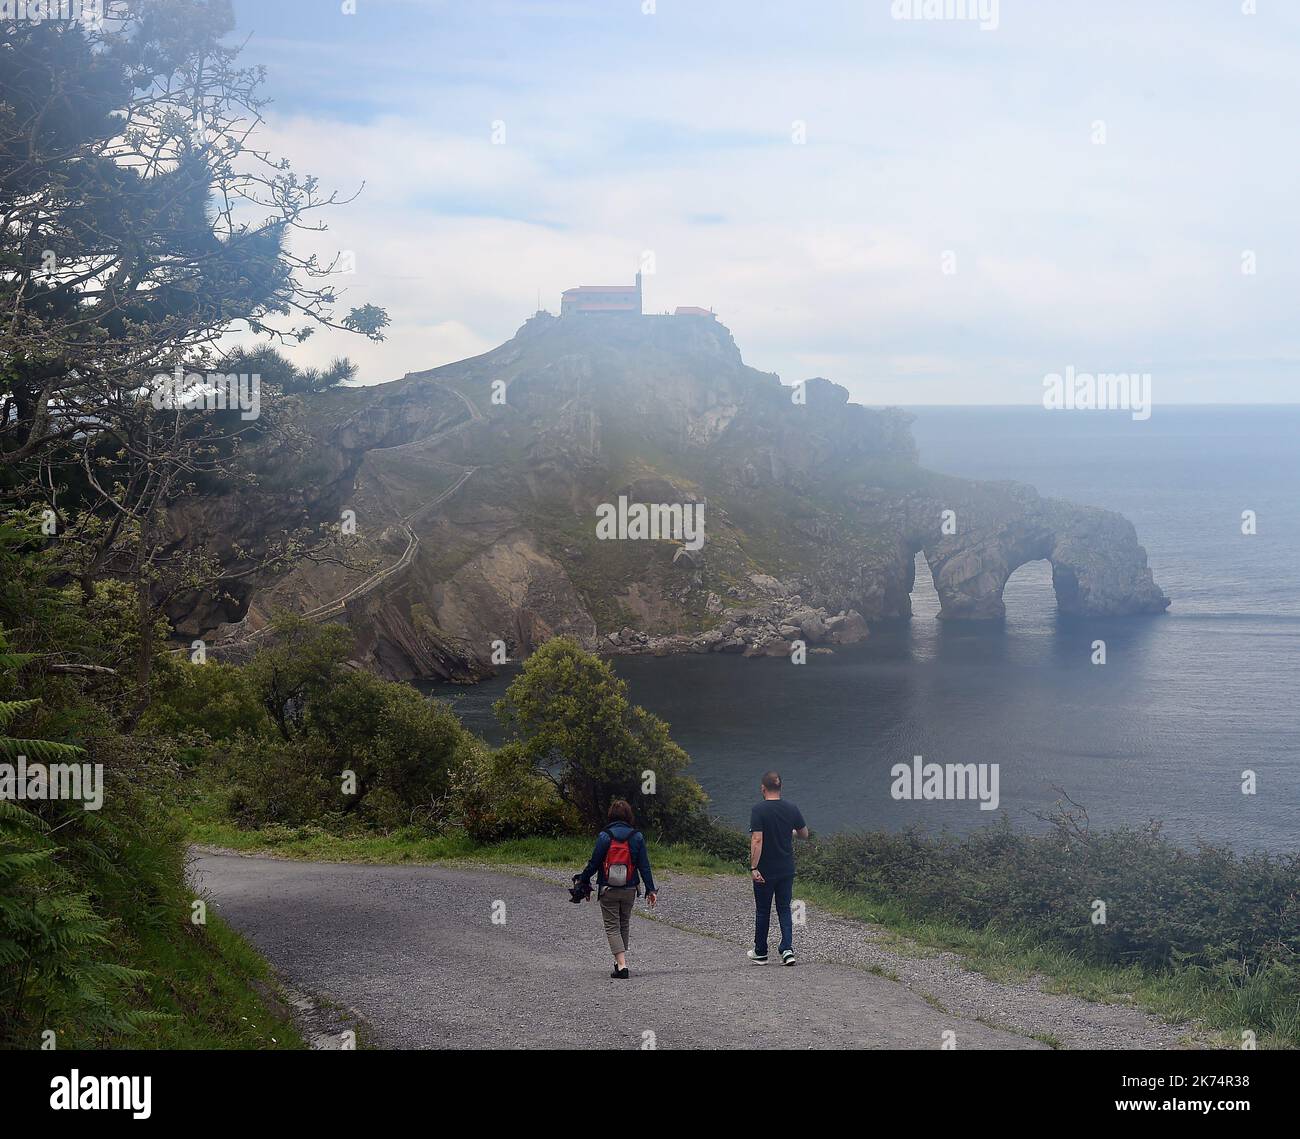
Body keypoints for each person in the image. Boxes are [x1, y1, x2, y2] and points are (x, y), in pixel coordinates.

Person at [575, 800, 657, 979]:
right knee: (624, 923)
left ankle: (621, 966)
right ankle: (620, 961)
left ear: (611, 815)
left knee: (612, 927)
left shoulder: (605, 836)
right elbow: (644, 866)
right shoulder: (637, 837)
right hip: (630, 889)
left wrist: (583, 880)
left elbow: (594, 863)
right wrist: (651, 890)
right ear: (628, 816)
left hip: (608, 889)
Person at [747, 771, 808, 966]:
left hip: (765, 869)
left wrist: (754, 867)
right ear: (781, 788)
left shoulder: (758, 810)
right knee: (784, 908)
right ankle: (787, 949)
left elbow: (757, 839)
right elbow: (804, 834)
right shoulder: (792, 808)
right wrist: (789, 831)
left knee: (763, 911)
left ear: (762, 788)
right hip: (786, 869)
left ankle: (761, 952)